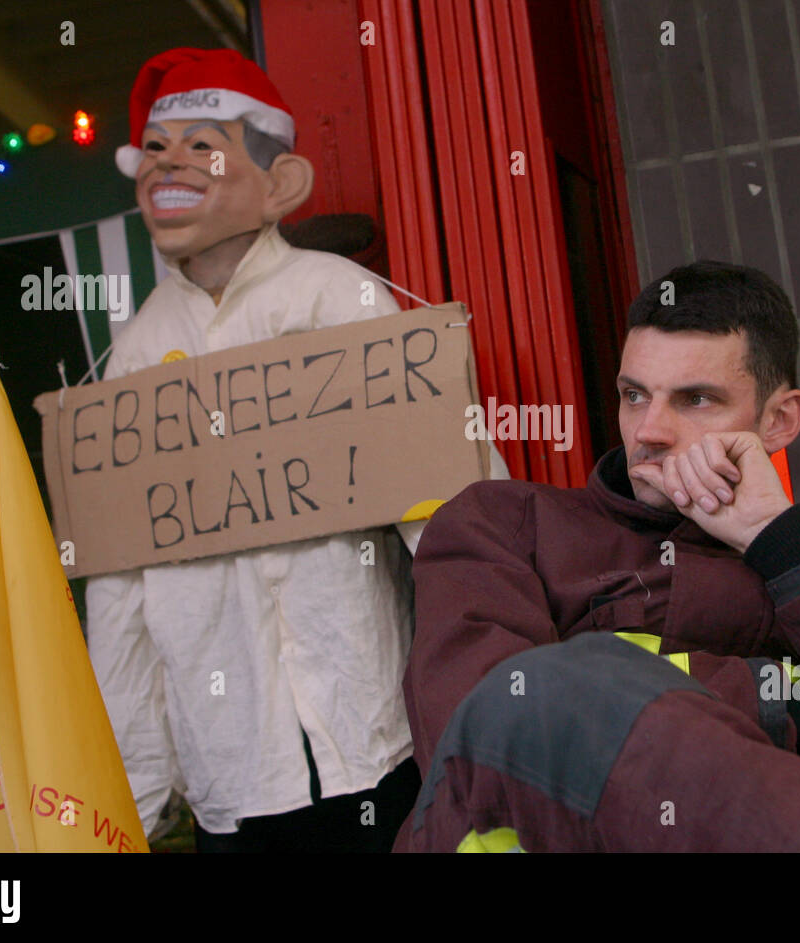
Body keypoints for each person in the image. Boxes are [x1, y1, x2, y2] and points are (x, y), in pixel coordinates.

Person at [396, 260, 800, 852]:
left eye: (695, 399)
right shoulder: (502, 526)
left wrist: (783, 546)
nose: (648, 431)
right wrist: (783, 708)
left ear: (780, 422)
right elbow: (497, 724)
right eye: (634, 395)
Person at [86, 47, 503, 852]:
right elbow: (123, 595)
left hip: (375, 743)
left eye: (203, 145)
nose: (170, 164)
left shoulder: (338, 299)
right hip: (231, 775)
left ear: (281, 183)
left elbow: (451, 516)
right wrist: (132, 795)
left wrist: (499, 697)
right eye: (156, 149)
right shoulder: (133, 356)